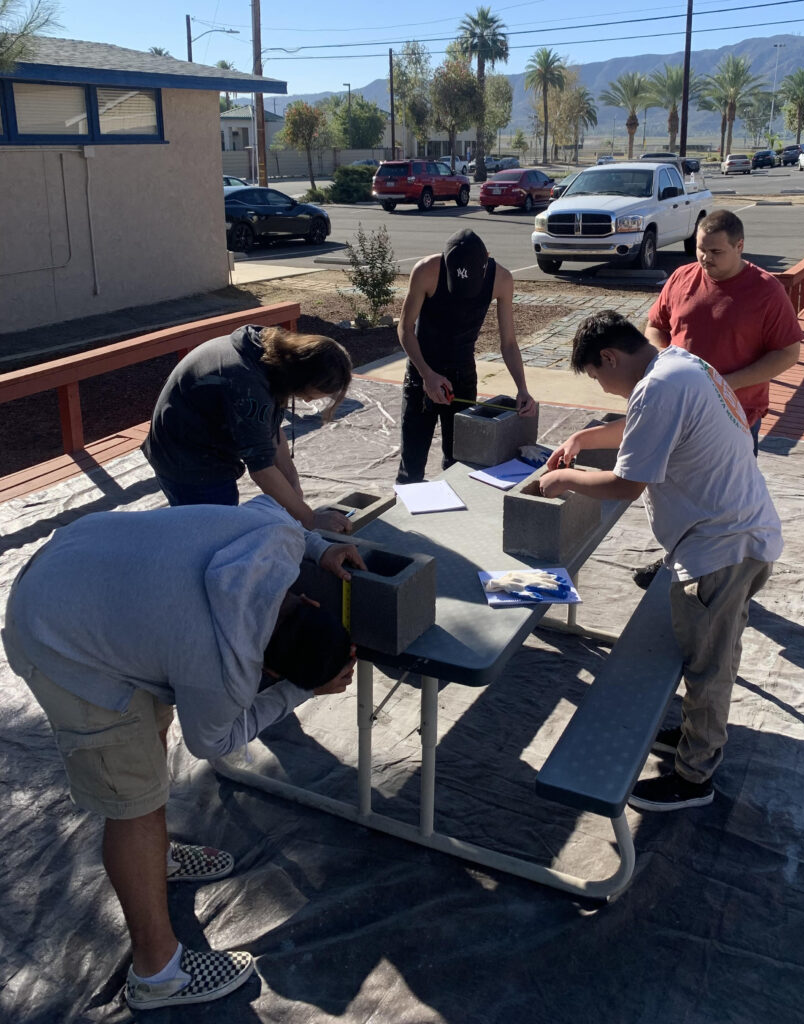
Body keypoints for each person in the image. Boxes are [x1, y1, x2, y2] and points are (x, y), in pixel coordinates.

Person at [2, 496, 366, 1010]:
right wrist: (300, 692)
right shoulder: (220, 668)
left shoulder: (278, 542)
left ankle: (160, 859)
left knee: (152, 728)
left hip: (82, 562)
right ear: (272, 672)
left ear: (307, 601)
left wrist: (319, 546)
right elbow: (212, 741)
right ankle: (158, 974)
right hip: (55, 634)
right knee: (133, 803)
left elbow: (272, 506)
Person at [540, 311, 783, 811]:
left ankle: (695, 778)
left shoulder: (657, 388)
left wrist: (565, 480)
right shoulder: (678, 365)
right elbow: (643, 425)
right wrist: (583, 440)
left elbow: (627, 485)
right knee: (713, 652)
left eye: (597, 377)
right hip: (743, 534)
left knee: (708, 665)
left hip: (721, 550)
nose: (604, 389)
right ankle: (696, 735)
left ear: (609, 357)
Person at [630, 208, 802, 587]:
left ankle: (736, 577)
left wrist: (725, 383)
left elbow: (788, 353)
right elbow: (655, 327)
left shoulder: (766, 291)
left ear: (740, 246)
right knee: (674, 494)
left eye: (715, 252)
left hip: (734, 416)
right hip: (679, 413)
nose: (705, 258)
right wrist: (663, 366)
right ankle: (674, 560)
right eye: (700, 249)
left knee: (728, 506)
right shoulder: (682, 277)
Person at [143, 326, 354, 533]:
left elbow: (271, 430)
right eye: (309, 394)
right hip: (185, 459)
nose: (308, 400)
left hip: (201, 437)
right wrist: (310, 518)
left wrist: (292, 485)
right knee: (214, 534)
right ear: (302, 376)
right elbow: (262, 470)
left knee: (226, 524)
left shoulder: (272, 355)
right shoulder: (248, 384)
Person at [395, 228, 536, 484]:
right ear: (445, 261)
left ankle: (451, 521)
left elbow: (509, 343)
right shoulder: (426, 271)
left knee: (459, 463)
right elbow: (405, 329)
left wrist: (522, 389)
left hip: (462, 375)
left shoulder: (501, 279)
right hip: (422, 373)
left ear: (486, 262)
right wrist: (427, 374)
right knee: (411, 466)